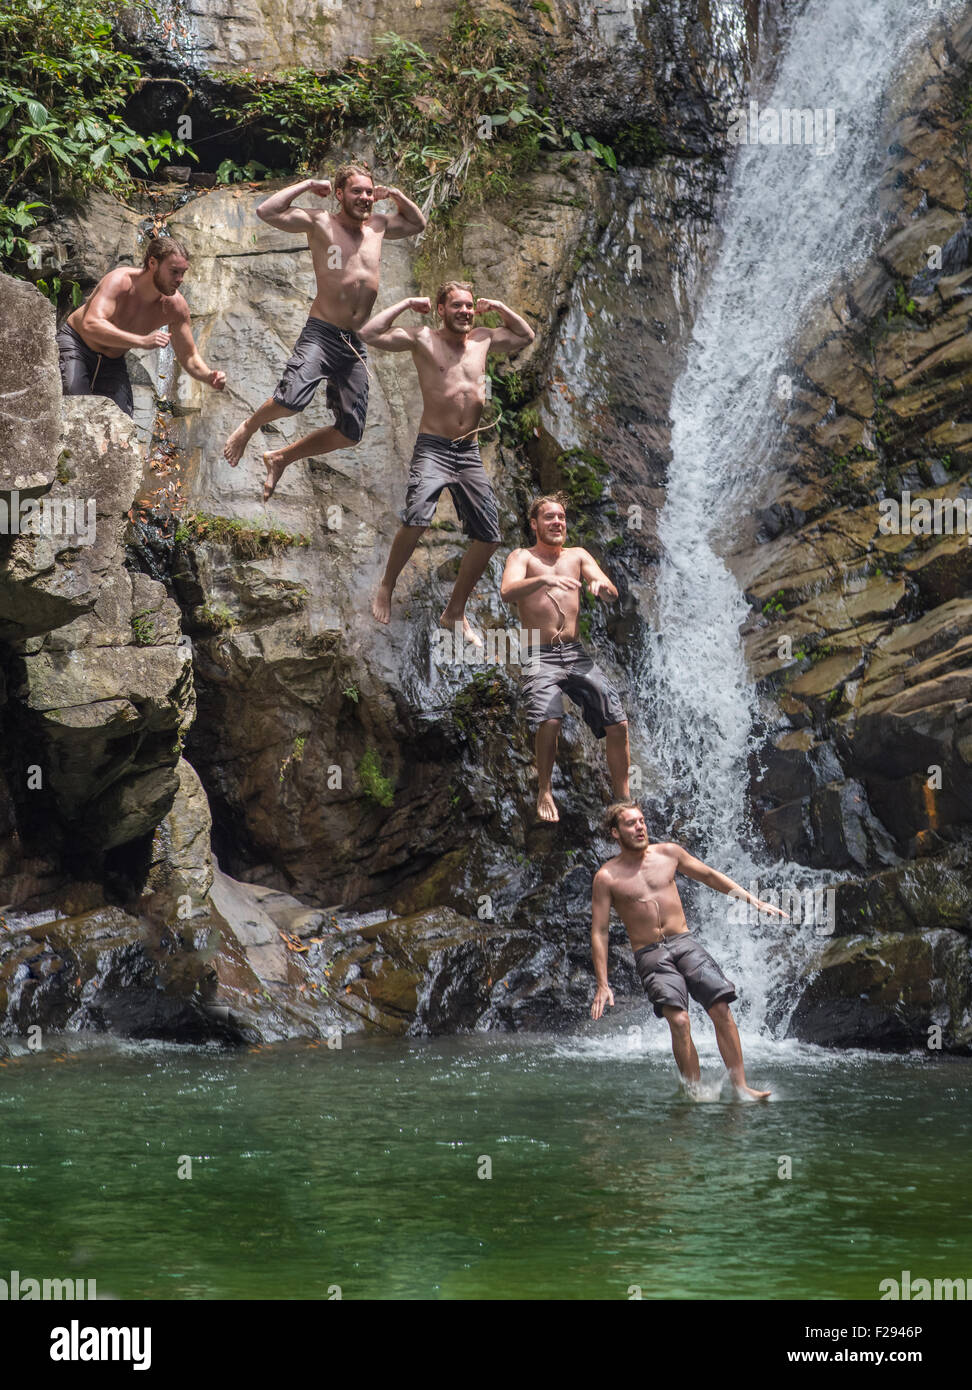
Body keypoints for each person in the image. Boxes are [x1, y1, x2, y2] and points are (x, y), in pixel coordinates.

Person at [222, 163, 426, 501]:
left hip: (354, 342)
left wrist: (396, 195)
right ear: (340, 194)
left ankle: (281, 458)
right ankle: (248, 427)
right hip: (322, 333)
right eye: (357, 191)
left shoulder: (378, 226)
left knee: (350, 432)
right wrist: (306, 185)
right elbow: (266, 211)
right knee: (291, 400)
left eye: (369, 191)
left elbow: (417, 223)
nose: (365, 197)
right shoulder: (320, 222)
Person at [360, 281, 534, 641]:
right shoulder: (423, 338)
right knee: (417, 518)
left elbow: (525, 335)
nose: (465, 312)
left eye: (469, 306)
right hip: (434, 448)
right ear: (441, 309)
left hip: (468, 452)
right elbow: (369, 333)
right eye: (457, 305)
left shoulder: (484, 339)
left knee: (489, 536)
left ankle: (454, 611)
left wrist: (499, 307)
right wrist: (407, 303)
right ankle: (387, 585)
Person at [590, 801, 788, 1099]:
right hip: (651, 954)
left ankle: (742, 1087)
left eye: (642, 821)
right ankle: (694, 1093)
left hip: (684, 943)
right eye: (631, 823)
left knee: (720, 1007)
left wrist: (754, 901)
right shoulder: (607, 877)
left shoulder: (669, 853)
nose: (640, 827)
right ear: (615, 833)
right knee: (680, 1021)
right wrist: (602, 984)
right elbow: (600, 931)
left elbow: (708, 875)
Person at [500, 493, 628, 821]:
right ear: (534, 524)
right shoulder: (522, 557)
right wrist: (543, 579)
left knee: (618, 723)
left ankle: (624, 801)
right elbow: (507, 592)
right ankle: (544, 789)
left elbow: (610, 592)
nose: (557, 522)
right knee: (551, 719)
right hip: (538, 653)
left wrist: (601, 586)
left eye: (561, 517)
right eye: (549, 517)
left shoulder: (578, 555)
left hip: (574, 652)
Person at [56, 237, 225, 418]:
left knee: (121, 421)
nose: (180, 279)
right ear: (152, 263)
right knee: (76, 408)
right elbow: (91, 324)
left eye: (183, 273)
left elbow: (189, 355)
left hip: (112, 362)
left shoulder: (176, 307)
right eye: (174, 272)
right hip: (77, 345)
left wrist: (208, 375)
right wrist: (141, 341)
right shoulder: (119, 282)